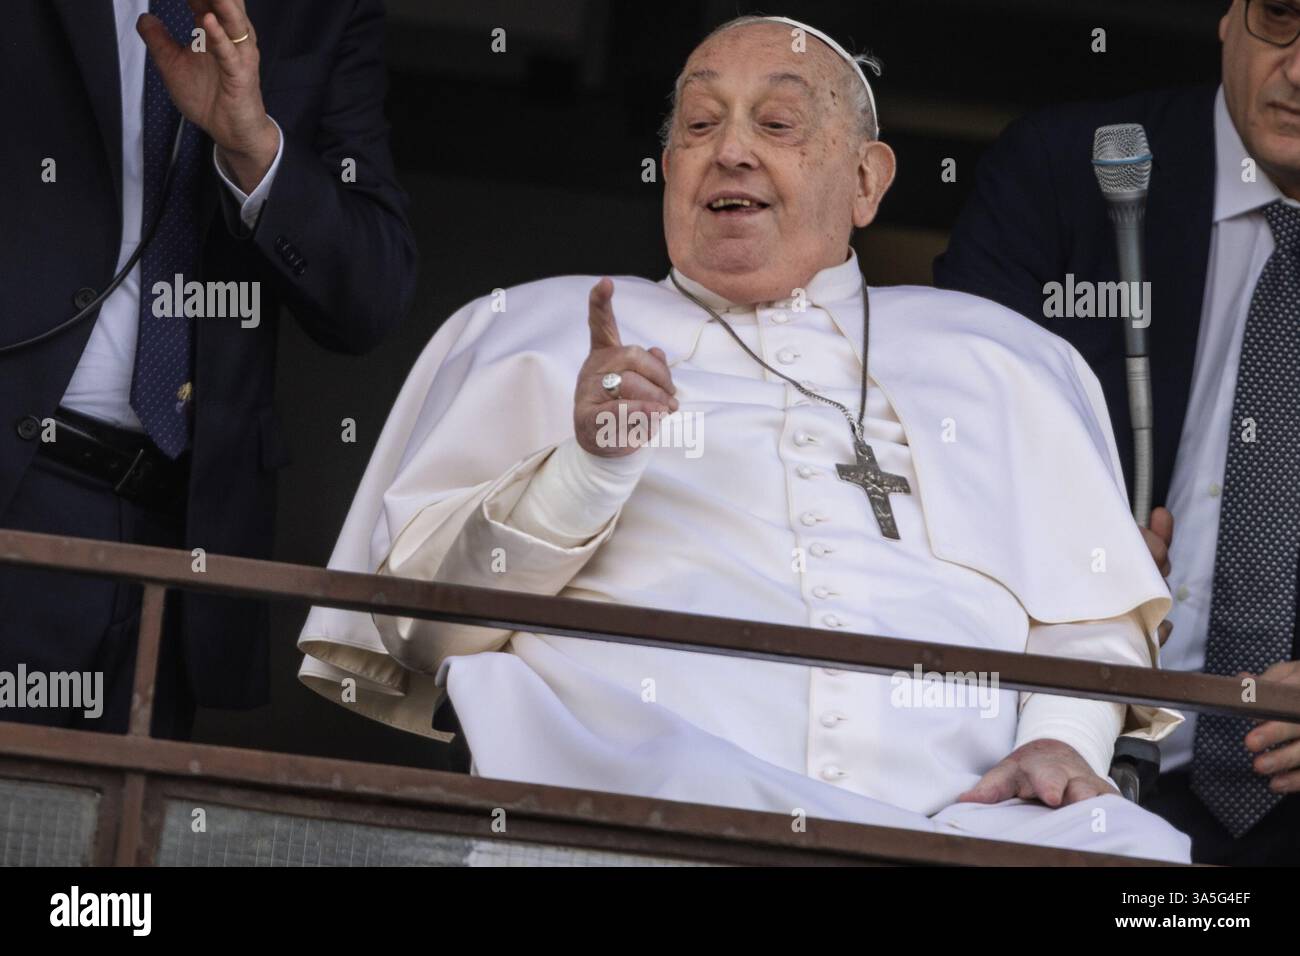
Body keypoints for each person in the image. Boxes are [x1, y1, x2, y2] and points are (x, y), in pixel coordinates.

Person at [298, 15, 1187, 861]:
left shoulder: (998, 356)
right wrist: (586, 471)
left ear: (869, 181)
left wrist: (1062, 740)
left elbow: (1090, 612)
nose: (731, 149)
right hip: (644, 812)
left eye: (778, 121)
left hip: (970, 829)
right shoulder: (530, 329)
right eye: (698, 123)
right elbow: (420, 629)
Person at [935, 0, 1300, 864]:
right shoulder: (1067, 171)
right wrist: (1070, 553)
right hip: (1058, 772)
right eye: (1282, 16)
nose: (1299, 69)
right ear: (1226, 15)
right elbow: (935, 434)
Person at [0, 0, 417, 738]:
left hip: (181, 531)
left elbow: (370, 297)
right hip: (24, 482)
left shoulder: (325, 16)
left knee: (118, 831)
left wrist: (256, 150)